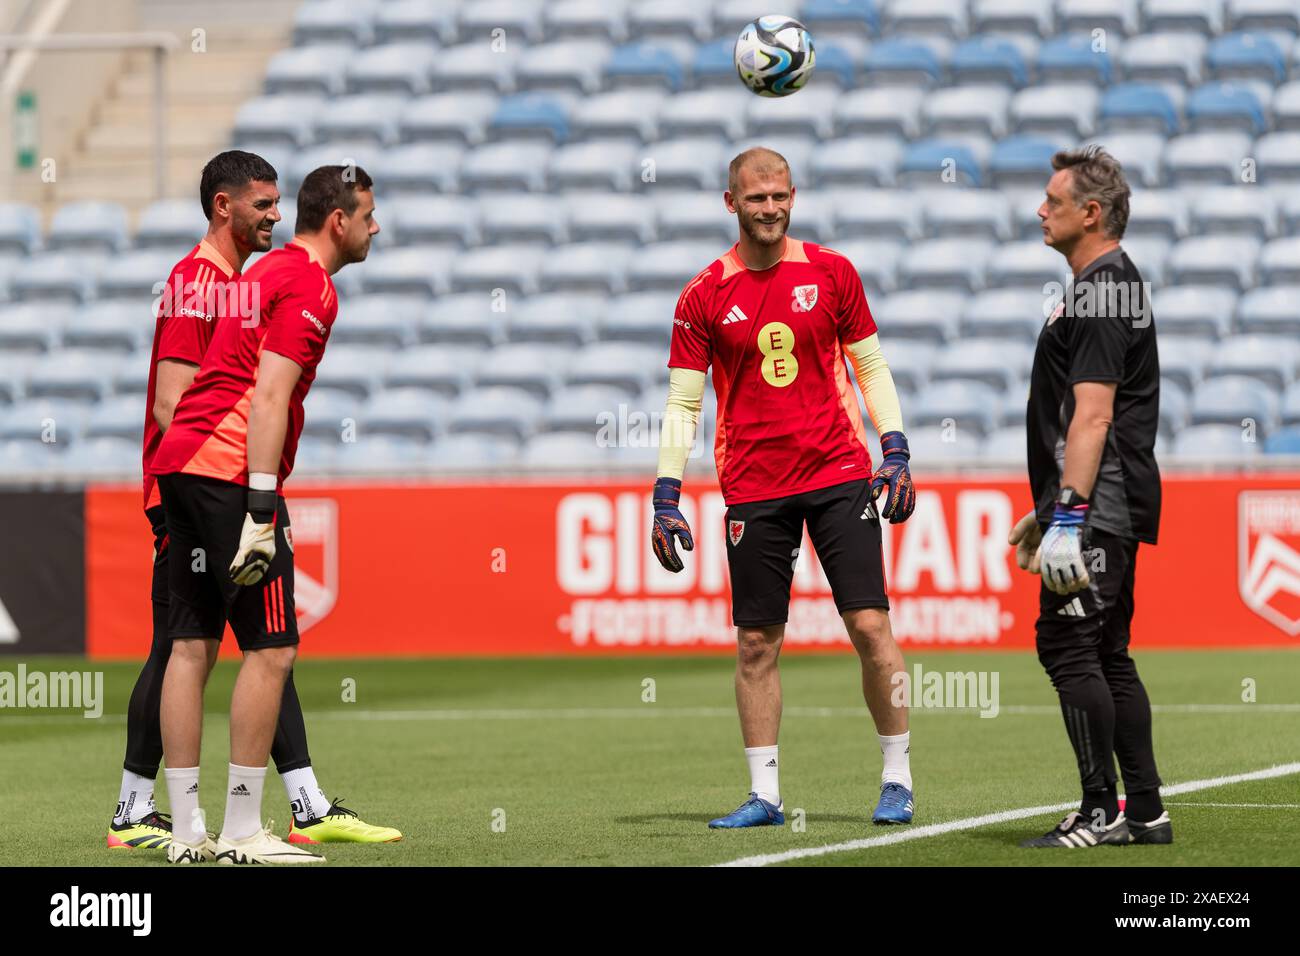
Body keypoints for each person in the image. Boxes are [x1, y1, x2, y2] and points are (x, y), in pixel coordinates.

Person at [111, 150, 397, 854]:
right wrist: (263, 504)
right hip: (226, 471)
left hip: (182, 467)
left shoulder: (254, 275)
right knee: (271, 650)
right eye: (369, 217)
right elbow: (260, 394)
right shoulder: (301, 284)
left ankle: (186, 830)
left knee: (188, 647)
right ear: (339, 221)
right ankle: (241, 827)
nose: (378, 229)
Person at [651, 147, 918, 829]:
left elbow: (871, 368)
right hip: (753, 486)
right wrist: (666, 492)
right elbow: (684, 405)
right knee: (756, 644)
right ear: (731, 203)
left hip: (837, 473)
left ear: (792, 197)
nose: (769, 208)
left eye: (779, 196)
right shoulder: (703, 294)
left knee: (868, 624)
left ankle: (897, 778)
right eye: (756, 198)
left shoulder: (832, 273)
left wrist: (894, 448)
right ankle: (764, 795)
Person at [1012, 145, 1170, 848]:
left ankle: (1100, 809)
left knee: (1068, 644)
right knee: (1107, 651)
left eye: (1053, 199)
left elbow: (1094, 415)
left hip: (1098, 507)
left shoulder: (1103, 288)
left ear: (1091, 212)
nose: (1040, 210)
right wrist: (1046, 509)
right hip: (1100, 500)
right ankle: (1146, 813)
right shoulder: (1104, 285)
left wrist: (1069, 520)